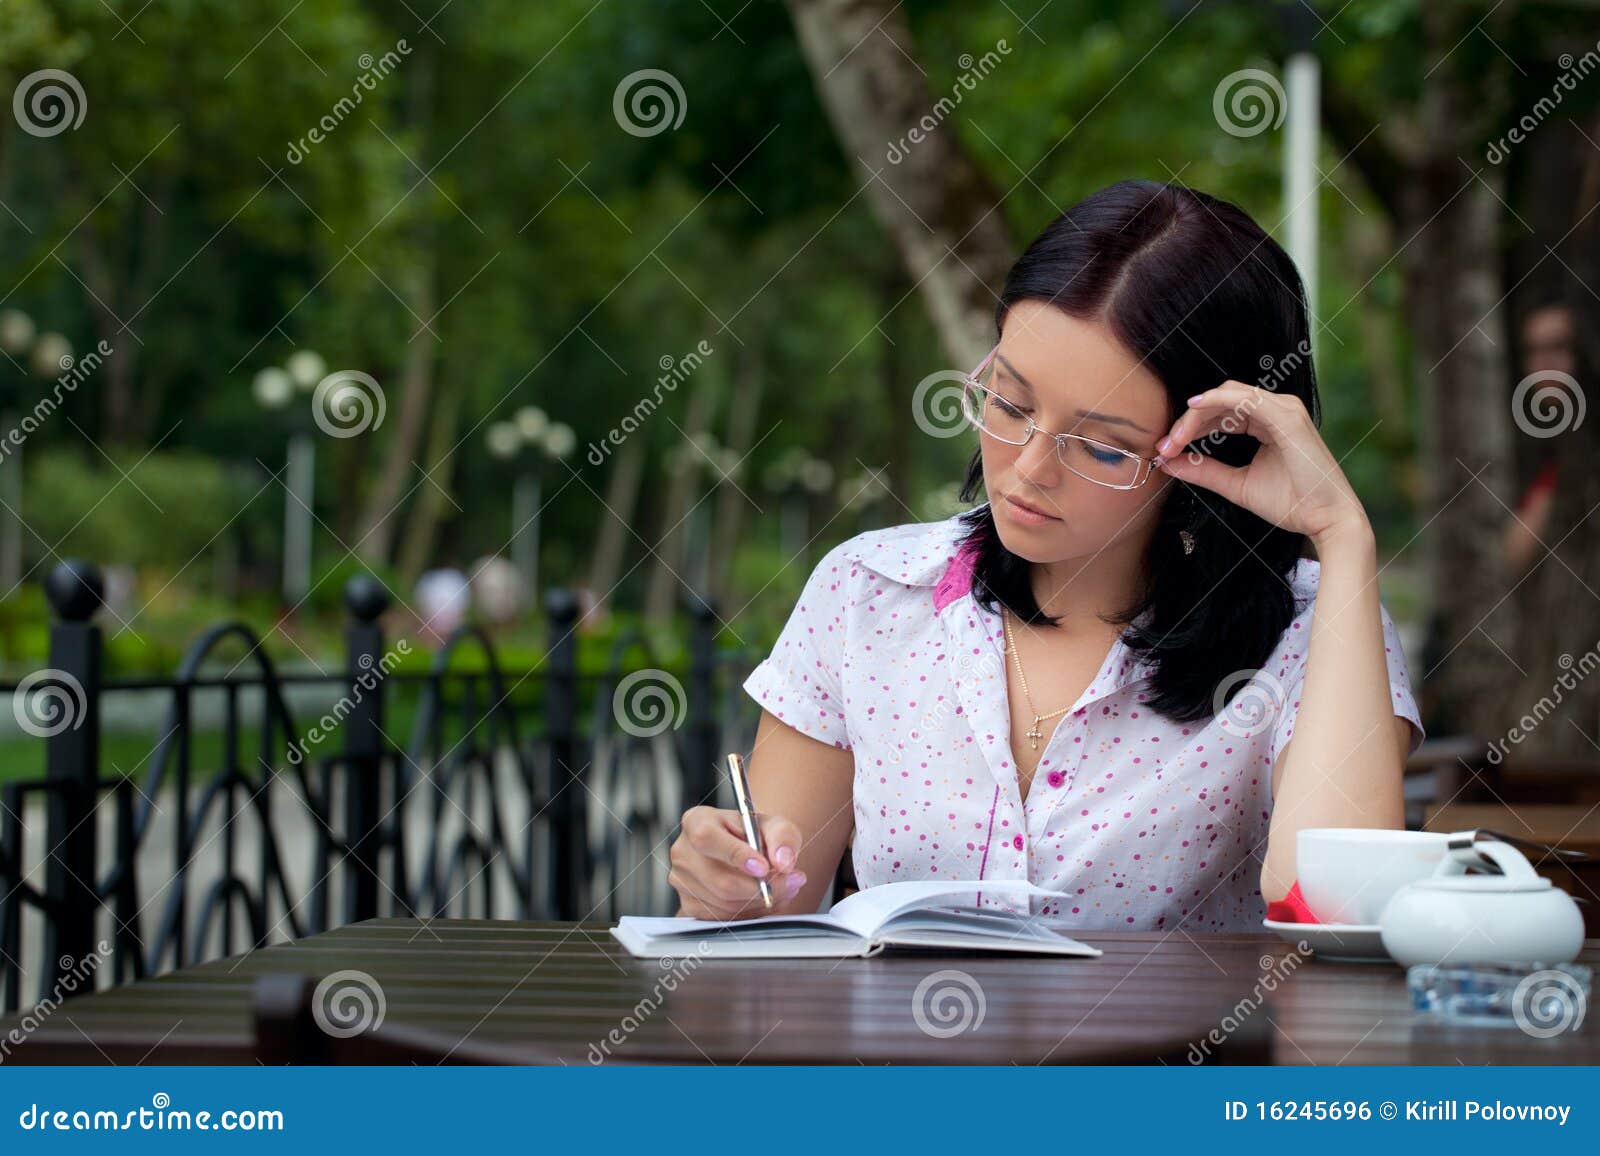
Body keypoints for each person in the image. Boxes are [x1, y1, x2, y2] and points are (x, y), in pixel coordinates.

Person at [668, 180, 1424, 932]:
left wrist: (1342, 533)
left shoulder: (1313, 631)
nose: (1029, 470)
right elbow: (768, 912)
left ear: (1210, 446)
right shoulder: (868, 595)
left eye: (1101, 445)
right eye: (1010, 403)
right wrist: (727, 882)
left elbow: (1335, 909)